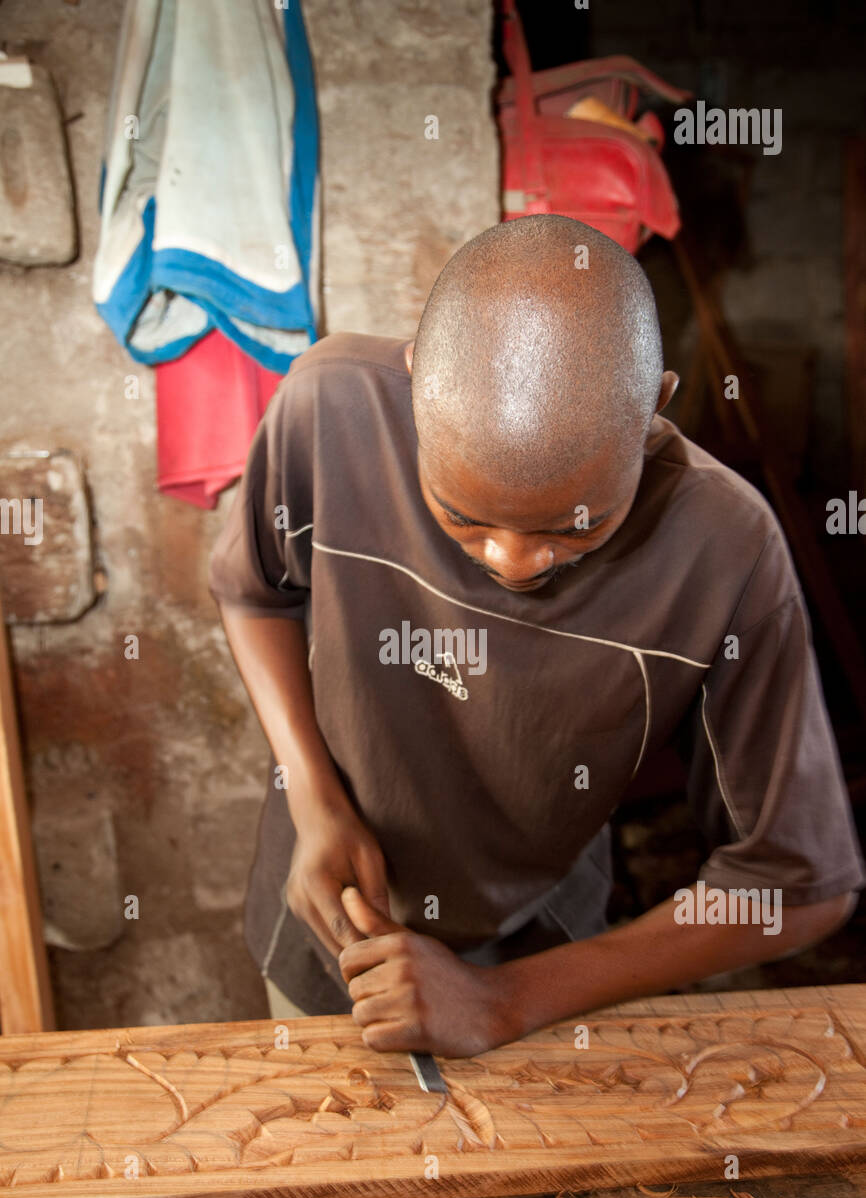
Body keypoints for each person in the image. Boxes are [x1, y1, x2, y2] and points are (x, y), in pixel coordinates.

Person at [208, 214, 863, 1058]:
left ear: (653, 407)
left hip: (543, 945)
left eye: (572, 527)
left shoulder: (727, 549)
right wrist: (314, 799)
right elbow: (255, 593)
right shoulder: (328, 408)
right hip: (328, 909)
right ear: (416, 383)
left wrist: (505, 999)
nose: (513, 562)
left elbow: (800, 883)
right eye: (464, 518)